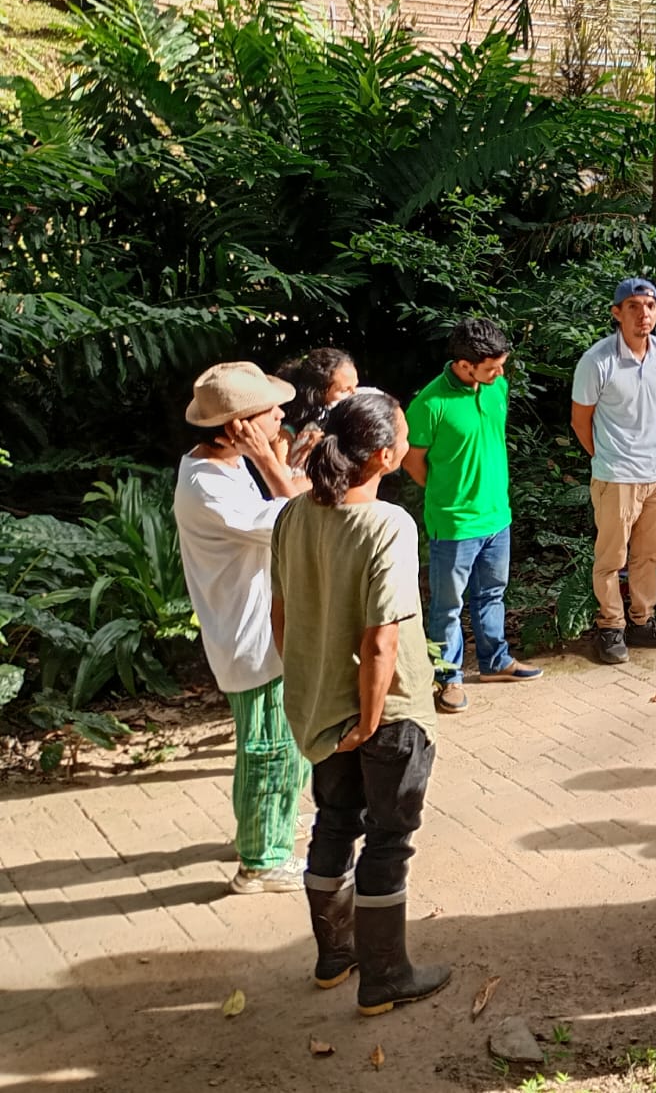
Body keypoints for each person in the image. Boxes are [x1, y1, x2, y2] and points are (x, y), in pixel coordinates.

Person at [271, 392, 450, 1016]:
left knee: (334, 823)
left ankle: (333, 958)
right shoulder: (388, 525)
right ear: (381, 455)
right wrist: (372, 720)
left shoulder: (293, 515)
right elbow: (382, 641)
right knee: (389, 838)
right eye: (402, 437)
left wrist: (313, 680)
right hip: (388, 712)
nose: (407, 443)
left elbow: (281, 617)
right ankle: (384, 976)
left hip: (320, 707)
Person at [174, 361, 312, 896]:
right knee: (271, 749)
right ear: (237, 428)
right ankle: (262, 860)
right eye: (268, 411)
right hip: (251, 642)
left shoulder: (215, 466)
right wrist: (267, 458)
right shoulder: (212, 486)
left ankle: (264, 830)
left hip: (259, 632)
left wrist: (272, 457)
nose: (281, 414)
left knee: (277, 743)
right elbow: (301, 516)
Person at [403, 319, 542, 713]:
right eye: (492, 367)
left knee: (492, 594)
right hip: (455, 524)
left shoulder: (497, 387)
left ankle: (496, 661)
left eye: (501, 366)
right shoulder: (429, 404)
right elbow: (413, 463)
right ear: (464, 365)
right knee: (448, 605)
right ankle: (448, 678)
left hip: (498, 517)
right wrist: (451, 495)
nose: (500, 374)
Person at [571, 278, 656, 665]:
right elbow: (579, 420)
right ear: (617, 313)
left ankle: (642, 620)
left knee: (647, 555)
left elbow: (654, 403)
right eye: (634, 306)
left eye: (651, 306)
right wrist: (602, 458)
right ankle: (610, 627)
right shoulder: (596, 360)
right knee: (610, 558)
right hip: (616, 475)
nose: (644, 314)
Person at [275, 348, 359, 476]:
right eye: (344, 390)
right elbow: (283, 480)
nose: (354, 395)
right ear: (319, 393)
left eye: (355, 386)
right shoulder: (286, 432)